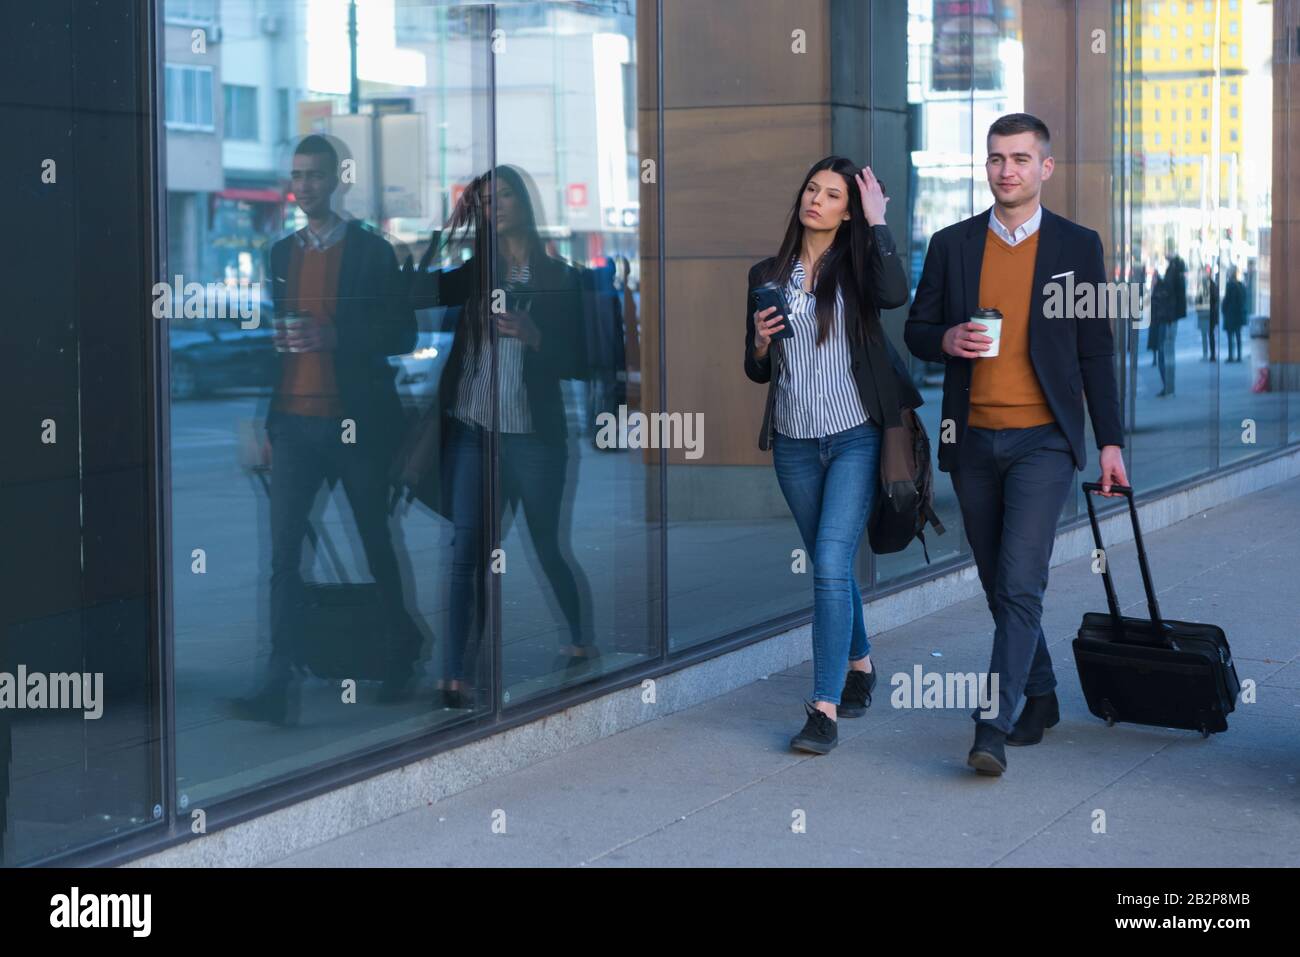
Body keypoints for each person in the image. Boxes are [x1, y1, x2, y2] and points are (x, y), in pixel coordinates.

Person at [904, 113, 1128, 775]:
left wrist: (1109, 442)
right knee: (997, 580)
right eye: (998, 158)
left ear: (1045, 168)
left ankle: (991, 724)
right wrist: (944, 339)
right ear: (987, 166)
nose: (1008, 170)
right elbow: (916, 329)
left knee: (1022, 578)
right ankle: (1041, 692)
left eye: (1022, 159)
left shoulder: (1077, 247)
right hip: (972, 438)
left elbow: (1095, 351)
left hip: (1045, 441)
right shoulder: (953, 244)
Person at [229, 134, 421, 725]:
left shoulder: (370, 251)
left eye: (314, 175)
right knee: (284, 557)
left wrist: (338, 338)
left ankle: (400, 654)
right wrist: (265, 423)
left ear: (337, 178)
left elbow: (403, 336)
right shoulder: (281, 253)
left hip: (352, 424)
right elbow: (277, 342)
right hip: (292, 423)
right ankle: (277, 681)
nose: (304, 185)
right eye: (297, 175)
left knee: (373, 543)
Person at [745, 157, 921, 755]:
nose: (816, 199)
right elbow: (755, 369)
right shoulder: (768, 273)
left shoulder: (861, 269)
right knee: (833, 566)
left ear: (848, 209)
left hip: (854, 438)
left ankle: (823, 707)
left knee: (826, 564)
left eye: (832, 194)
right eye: (812, 189)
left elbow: (896, 295)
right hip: (793, 446)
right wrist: (761, 342)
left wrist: (878, 224)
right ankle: (862, 663)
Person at [407, 165, 597, 709]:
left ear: (524, 203)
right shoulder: (475, 273)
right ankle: (456, 673)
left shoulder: (560, 277)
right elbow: (417, 292)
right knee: (467, 549)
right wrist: (446, 231)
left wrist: (536, 336)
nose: (497, 206)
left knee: (545, 545)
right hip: (473, 431)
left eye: (505, 195)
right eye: (486, 201)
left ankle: (581, 641)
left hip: (533, 438)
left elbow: (584, 363)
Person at [1222, 266, 1247, 363]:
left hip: (1231, 314)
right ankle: (1239, 356)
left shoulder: (1229, 285)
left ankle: (1231, 356)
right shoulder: (1241, 285)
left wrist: (1223, 309)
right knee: (1238, 336)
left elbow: (1226, 300)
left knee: (1230, 336)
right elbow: (1244, 299)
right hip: (1238, 314)